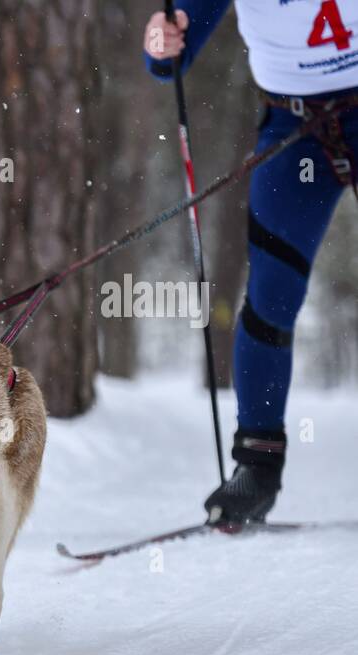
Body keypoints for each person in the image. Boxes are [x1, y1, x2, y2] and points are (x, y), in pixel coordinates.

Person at [144, 1, 358, 522]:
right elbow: (171, 51)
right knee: (269, 300)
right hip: (294, 128)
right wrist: (160, 41)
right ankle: (256, 469)